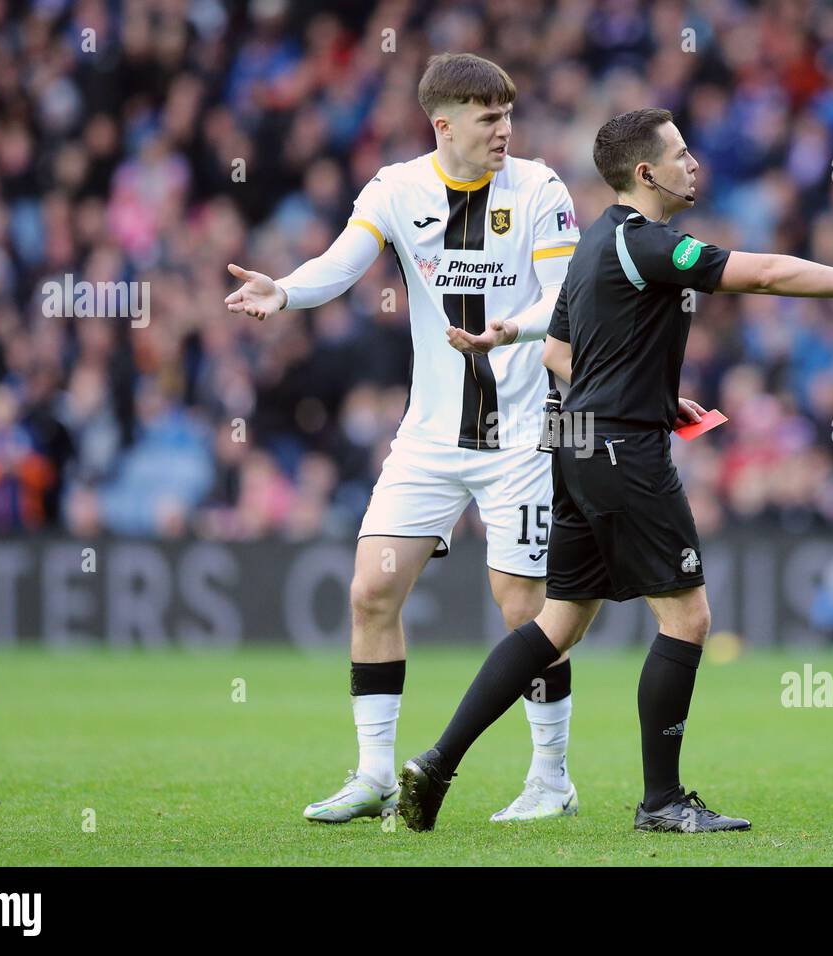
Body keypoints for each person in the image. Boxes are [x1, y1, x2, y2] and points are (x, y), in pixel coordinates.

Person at [397, 108, 833, 832]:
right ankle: (660, 801)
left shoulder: (593, 244)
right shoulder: (647, 244)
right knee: (688, 618)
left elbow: (557, 353)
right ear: (645, 172)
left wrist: (646, 393)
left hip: (575, 438)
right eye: (681, 154)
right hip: (622, 447)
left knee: (556, 623)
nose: (695, 164)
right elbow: (770, 274)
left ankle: (437, 764)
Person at [224, 53, 584, 823]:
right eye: (489, 118)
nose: (504, 131)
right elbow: (342, 263)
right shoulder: (395, 188)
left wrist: (510, 329)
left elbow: (563, 297)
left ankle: (551, 778)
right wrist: (284, 291)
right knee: (372, 589)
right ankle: (375, 774)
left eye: (508, 115)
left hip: (519, 437)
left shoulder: (539, 189)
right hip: (429, 438)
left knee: (523, 610)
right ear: (442, 122)